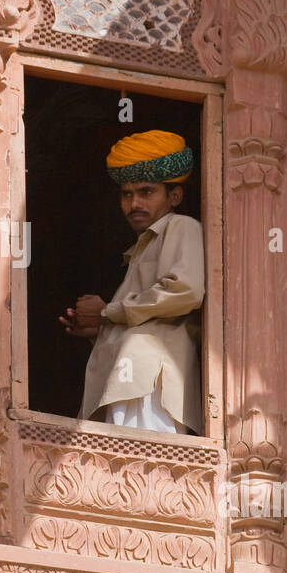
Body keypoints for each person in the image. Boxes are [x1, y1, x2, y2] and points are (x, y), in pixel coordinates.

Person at [59, 130, 205, 435]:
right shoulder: (143, 246)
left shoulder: (182, 227)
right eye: (126, 194)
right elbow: (142, 314)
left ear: (174, 196)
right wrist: (100, 327)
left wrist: (106, 313)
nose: (134, 202)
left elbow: (186, 290)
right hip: (127, 383)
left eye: (146, 192)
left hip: (150, 382)